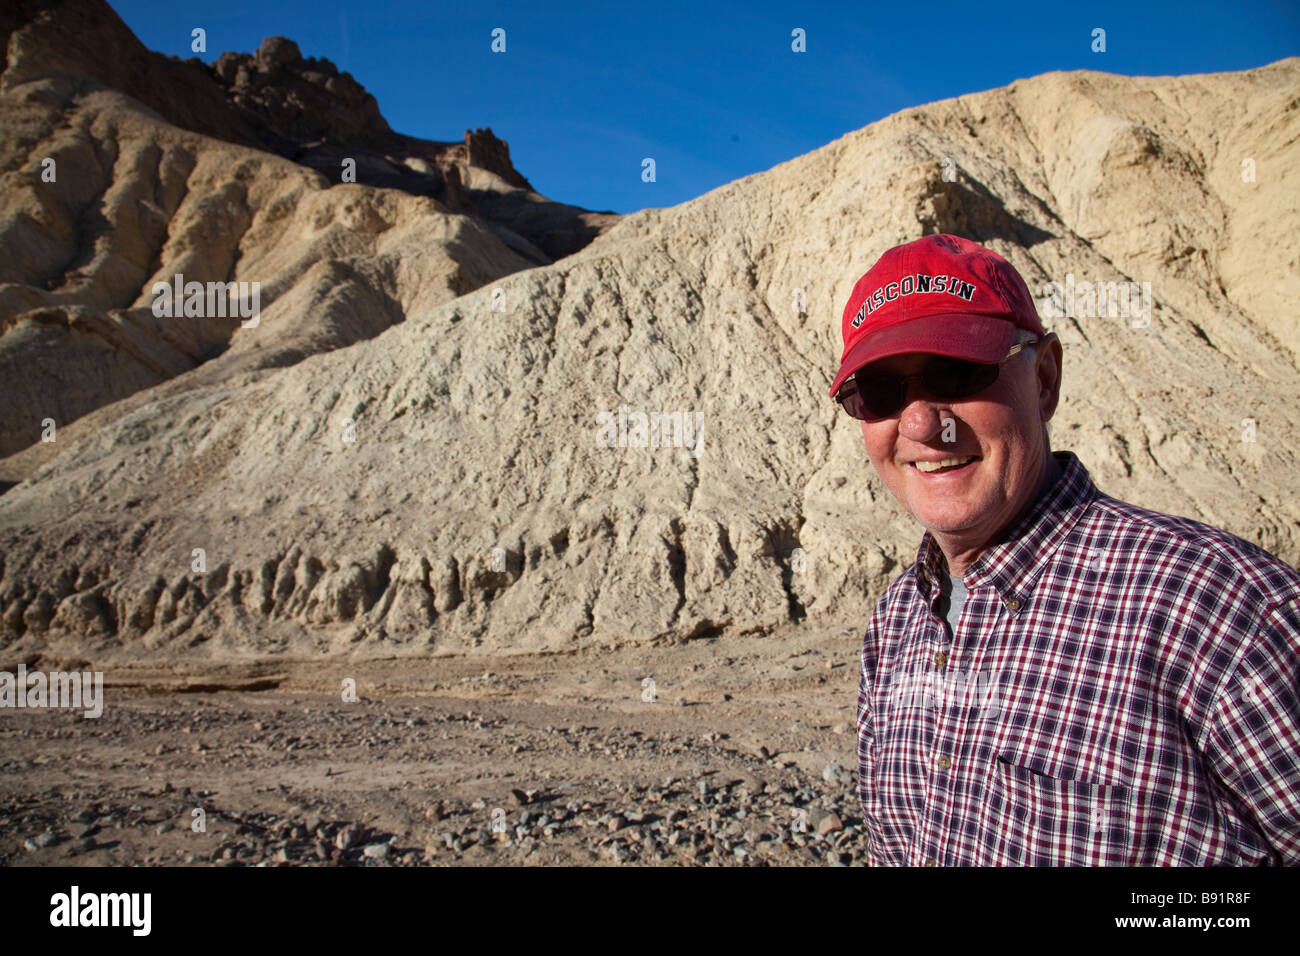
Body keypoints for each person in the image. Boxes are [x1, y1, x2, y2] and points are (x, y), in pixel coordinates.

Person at [830, 233, 1300, 865]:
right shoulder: (897, 623)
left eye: (957, 370)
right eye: (880, 392)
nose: (920, 424)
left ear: (1045, 378)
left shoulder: (1220, 610)